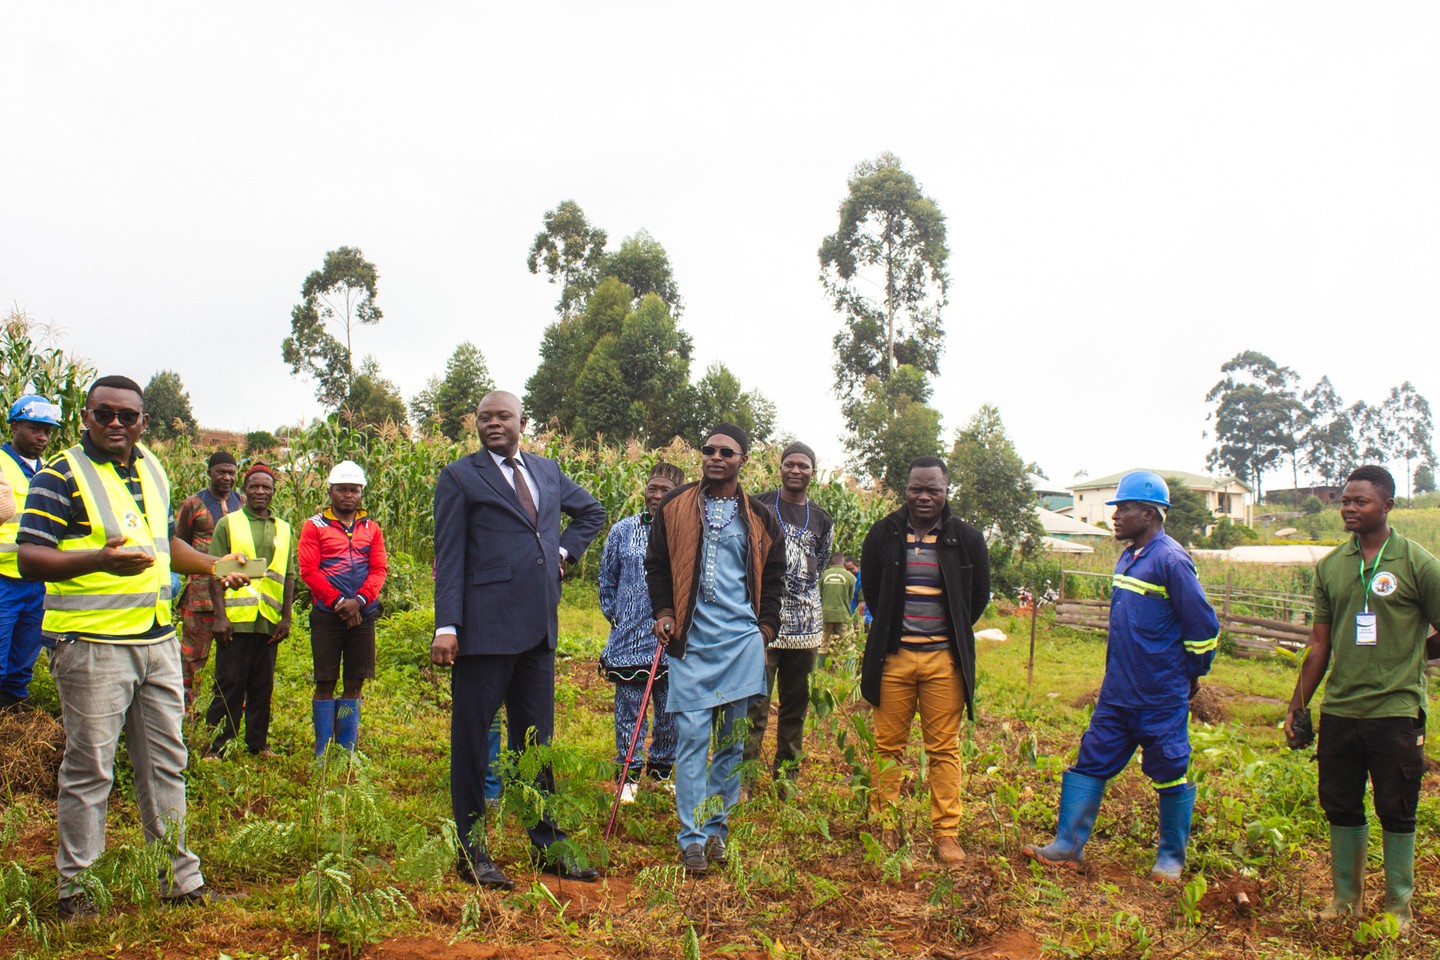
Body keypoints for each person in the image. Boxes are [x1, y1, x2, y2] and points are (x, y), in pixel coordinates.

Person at [15, 375, 250, 918]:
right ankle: (78, 890)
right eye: (105, 414)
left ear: (144, 421)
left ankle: (178, 879)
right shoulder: (60, 475)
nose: (116, 424)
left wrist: (214, 565)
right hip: (92, 646)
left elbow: (163, 546)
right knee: (91, 769)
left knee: (167, 762)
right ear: (86, 417)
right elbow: (30, 558)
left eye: (128, 415)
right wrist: (98, 559)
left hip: (157, 641)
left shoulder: (152, 468)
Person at [430, 390, 606, 889]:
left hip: (537, 632)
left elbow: (591, 512)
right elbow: (449, 555)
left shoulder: (547, 471)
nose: (493, 423)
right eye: (484, 417)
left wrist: (563, 554)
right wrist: (447, 626)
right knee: (472, 744)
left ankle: (547, 845)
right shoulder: (460, 477)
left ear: (521, 423)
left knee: (535, 745)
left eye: (502, 416)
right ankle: (472, 852)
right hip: (484, 632)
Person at [1022, 471, 1218, 881]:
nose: (1115, 516)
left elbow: (1202, 626)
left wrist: (1193, 674)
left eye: (1123, 508)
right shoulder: (1129, 556)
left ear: (1149, 513)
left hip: (1159, 693)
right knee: (1091, 760)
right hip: (1117, 691)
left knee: (1169, 768)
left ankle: (1170, 858)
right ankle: (1067, 846)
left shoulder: (1171, 560)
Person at [1285, 465, 1440, 928]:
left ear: (1387, 505)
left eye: (1361, 501)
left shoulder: (1418, 564)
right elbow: (1319, 643)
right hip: (1341, 710)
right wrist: (1297, 705)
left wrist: (1415, 654)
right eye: (1345, 501)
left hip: (1396, 710)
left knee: (1397, 809)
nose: (1349, 509)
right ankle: (1344, 901)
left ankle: (1397, 909)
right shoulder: (1331, 566)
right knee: (1340, 805)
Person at [646, 423, 784, 876]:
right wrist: (664, 611)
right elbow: (657, 565)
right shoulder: (675, 504)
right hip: (691, 642)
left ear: (743, 460)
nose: (716, 457)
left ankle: (715, 830)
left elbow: (775, 576)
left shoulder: (759, 515)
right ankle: (690, 838)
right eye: (709, 450)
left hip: (740, 642)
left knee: (729, 741)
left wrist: (765, 629)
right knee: (692, 739)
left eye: (727, 452)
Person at [860, 456, 990, 867]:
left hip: (943, 663)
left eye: (933, 489)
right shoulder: (883, 533)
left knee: (944, 749)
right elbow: (874, 593)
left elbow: (976, 599)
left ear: (946, 491)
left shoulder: (966, 539)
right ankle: (885, 825)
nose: (924, 496)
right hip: (894, 660)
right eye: (917, 488)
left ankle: (946, 834)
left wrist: (945, 635)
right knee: (887, 746)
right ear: (906, 489)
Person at [745, 441, 833, 788]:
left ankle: (787, 781)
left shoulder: (821, 518)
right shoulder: (759, 505)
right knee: (754, 705)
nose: (796, 470)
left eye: (803, 466)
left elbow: (820, 564)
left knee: (795, 707)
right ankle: (744, 780)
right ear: (780, 468)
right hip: (764, 623)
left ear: (813, 472)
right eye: (789, 464)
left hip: (807, 628)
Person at [598, 461, 684, 801]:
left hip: (673, 641)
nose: (657, 495)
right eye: (652, 488)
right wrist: (619, 617)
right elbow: (607, 580)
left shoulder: (687, 532)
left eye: (665, 490)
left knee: (670, 713)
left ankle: (661, 772)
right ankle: (628, 775)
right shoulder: (623, 531)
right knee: (629, 712)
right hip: (630, 641)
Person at [204, 464, 294, 758]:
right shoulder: (228, 524)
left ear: (274, 491)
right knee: (229, 684)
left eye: (266, 487)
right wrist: (220, 617)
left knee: (262, 687)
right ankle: (217, 747)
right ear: (244, 490)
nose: (260, 492)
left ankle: (258, 744)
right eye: (254, 486)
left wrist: (286, 618)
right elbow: (214, 571)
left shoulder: (284, 528)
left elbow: (288, 576)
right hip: (236, 620)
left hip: (267, 620)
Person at [298, 460, 387, 756]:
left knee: (354, 681)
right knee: (325, 681)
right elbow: (309, 571)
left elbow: (379, 569)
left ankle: (346, 752)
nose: (348, 495)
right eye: (342, 490)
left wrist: (358, 601)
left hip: (363, 614)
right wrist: (339, 602)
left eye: (354, 490)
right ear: (331, 492)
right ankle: (323, 753)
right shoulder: (314, 526)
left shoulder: (371, 528)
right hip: (327, 615)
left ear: (361, 493)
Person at [0, 394, 60, 709]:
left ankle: (14, 708)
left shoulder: (49, 471)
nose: (42, 438)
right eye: (35, 429)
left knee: (25, 653)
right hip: (3, 577)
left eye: (47, 431)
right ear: (14, 427)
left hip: (36, 579)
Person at [175, 451, 242, 708]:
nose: (226, 477)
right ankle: (187, 708)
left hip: (235, 593)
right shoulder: (192, 504)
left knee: (235, 658)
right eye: (221, 472)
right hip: (200, 595)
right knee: (192, 657)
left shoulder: (243, 503)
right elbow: (179, 545)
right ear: (209, 473)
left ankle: (227, 709)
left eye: (231, 473)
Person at [820, 552, 857, 656]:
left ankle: (820, 665)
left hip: (825, 615)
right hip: (843, 615)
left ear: (832, 561)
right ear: (843, 562)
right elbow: (850, 597)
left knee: (822, 645)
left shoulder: (823, 575)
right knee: (849, 645)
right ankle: (849, 666)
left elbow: (820, 595)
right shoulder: (851, 577)